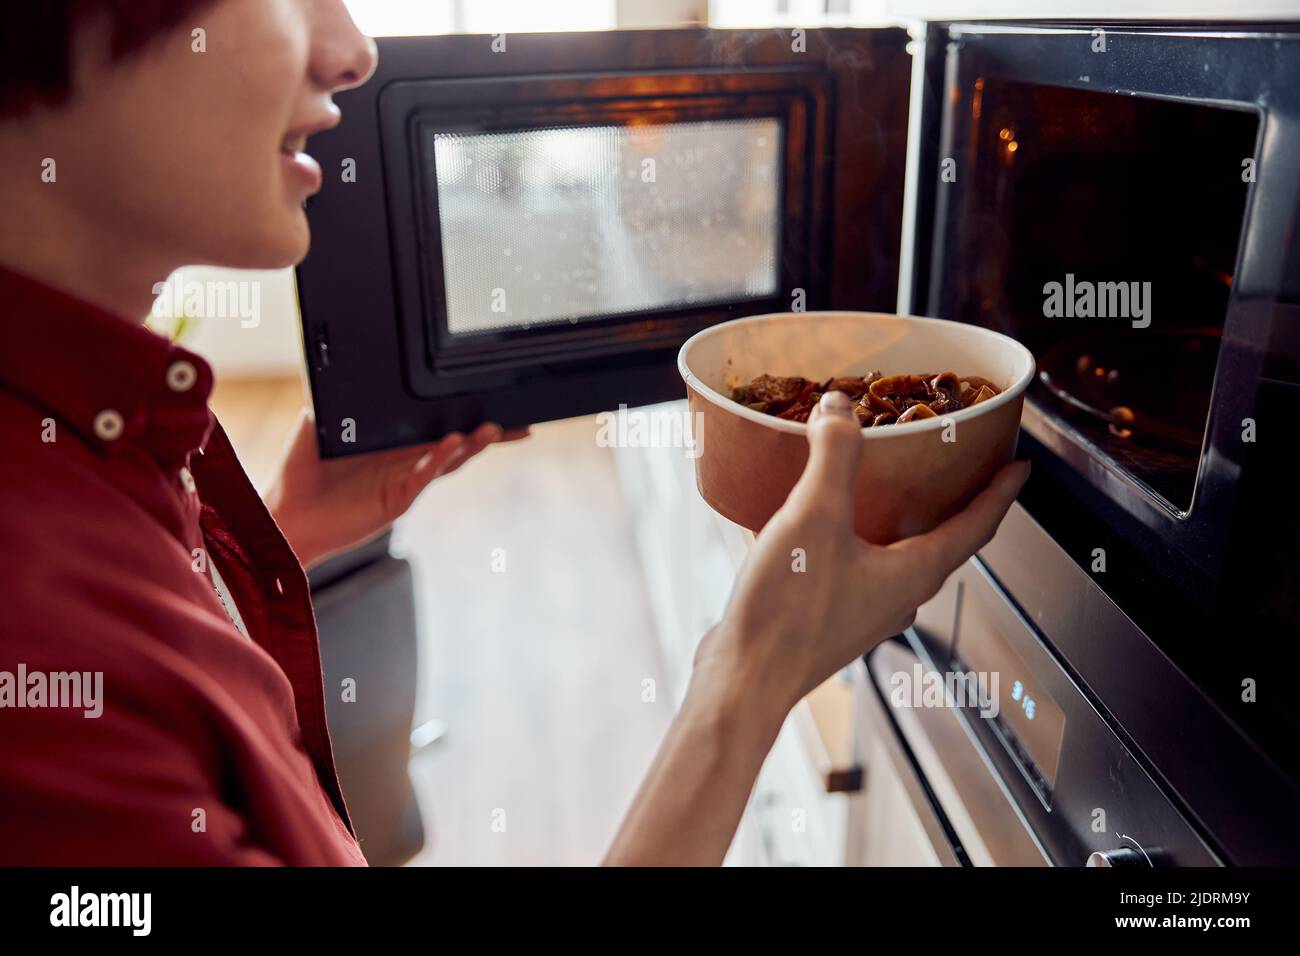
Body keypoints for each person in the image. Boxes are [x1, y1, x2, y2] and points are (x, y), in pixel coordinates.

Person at [0, 0, 1028, 866]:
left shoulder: (83, 434)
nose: (350, 49)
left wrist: (265, 545)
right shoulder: (43, 684)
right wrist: (749, 672)